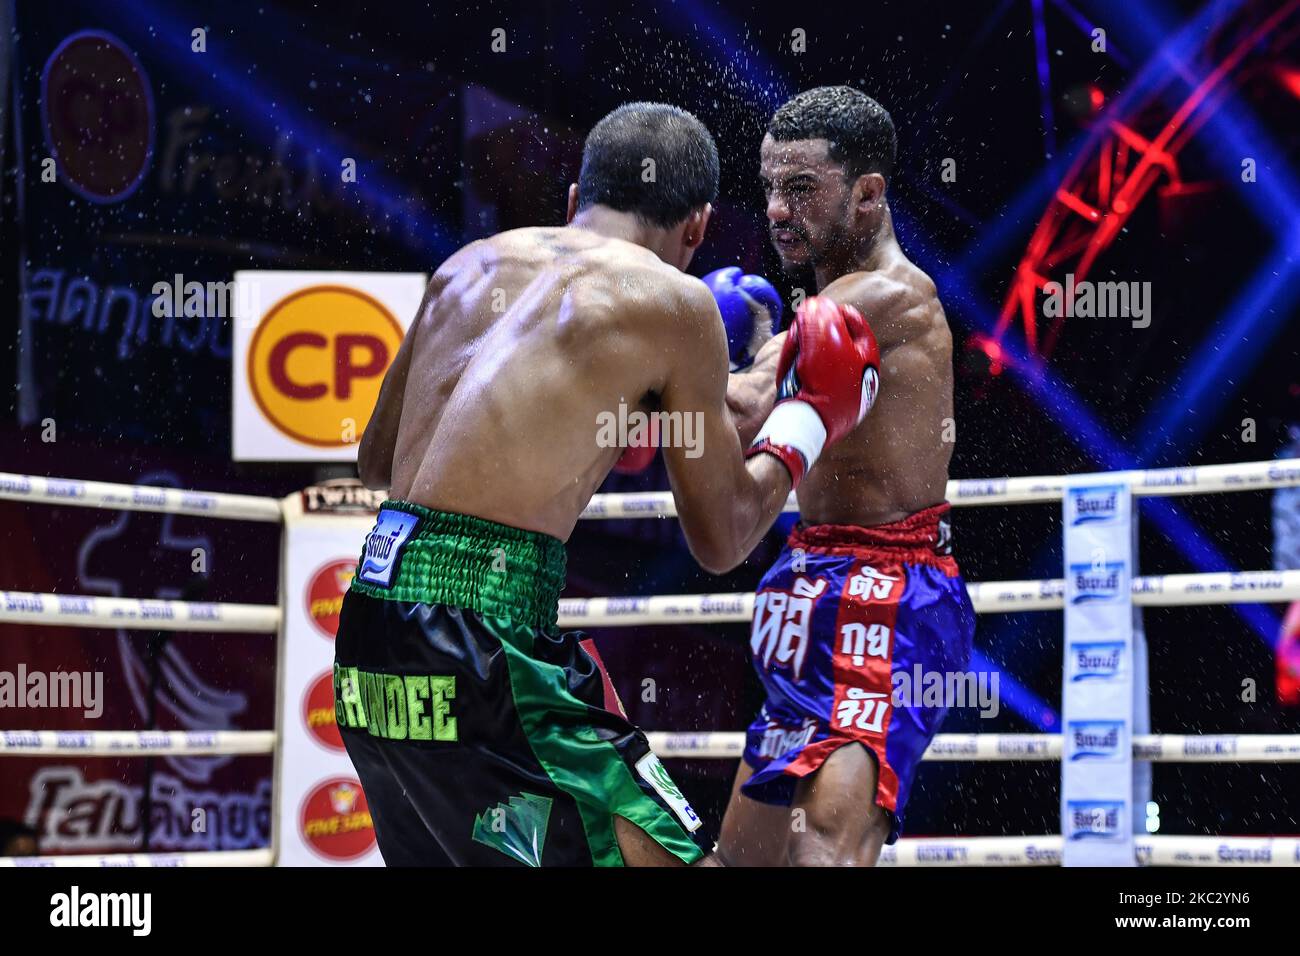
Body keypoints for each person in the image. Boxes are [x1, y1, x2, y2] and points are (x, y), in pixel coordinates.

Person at [337, 101, 879, 866]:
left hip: (370, 633)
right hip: (486, 640)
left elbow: (375, 460)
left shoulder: (469, 265)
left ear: (573, 200)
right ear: (696, 229)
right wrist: (813, 419)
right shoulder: (673, 302)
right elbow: (723, 535)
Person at [719, 86, 976, 866]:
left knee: (825, 850)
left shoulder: (890, 296)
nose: (774, 209)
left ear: (867, 196)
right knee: (744, 861)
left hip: (882, 592)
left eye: (800, 188)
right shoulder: (823, 306)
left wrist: (681, 336)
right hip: (809, 587)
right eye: (769, 187)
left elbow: (741, 414)